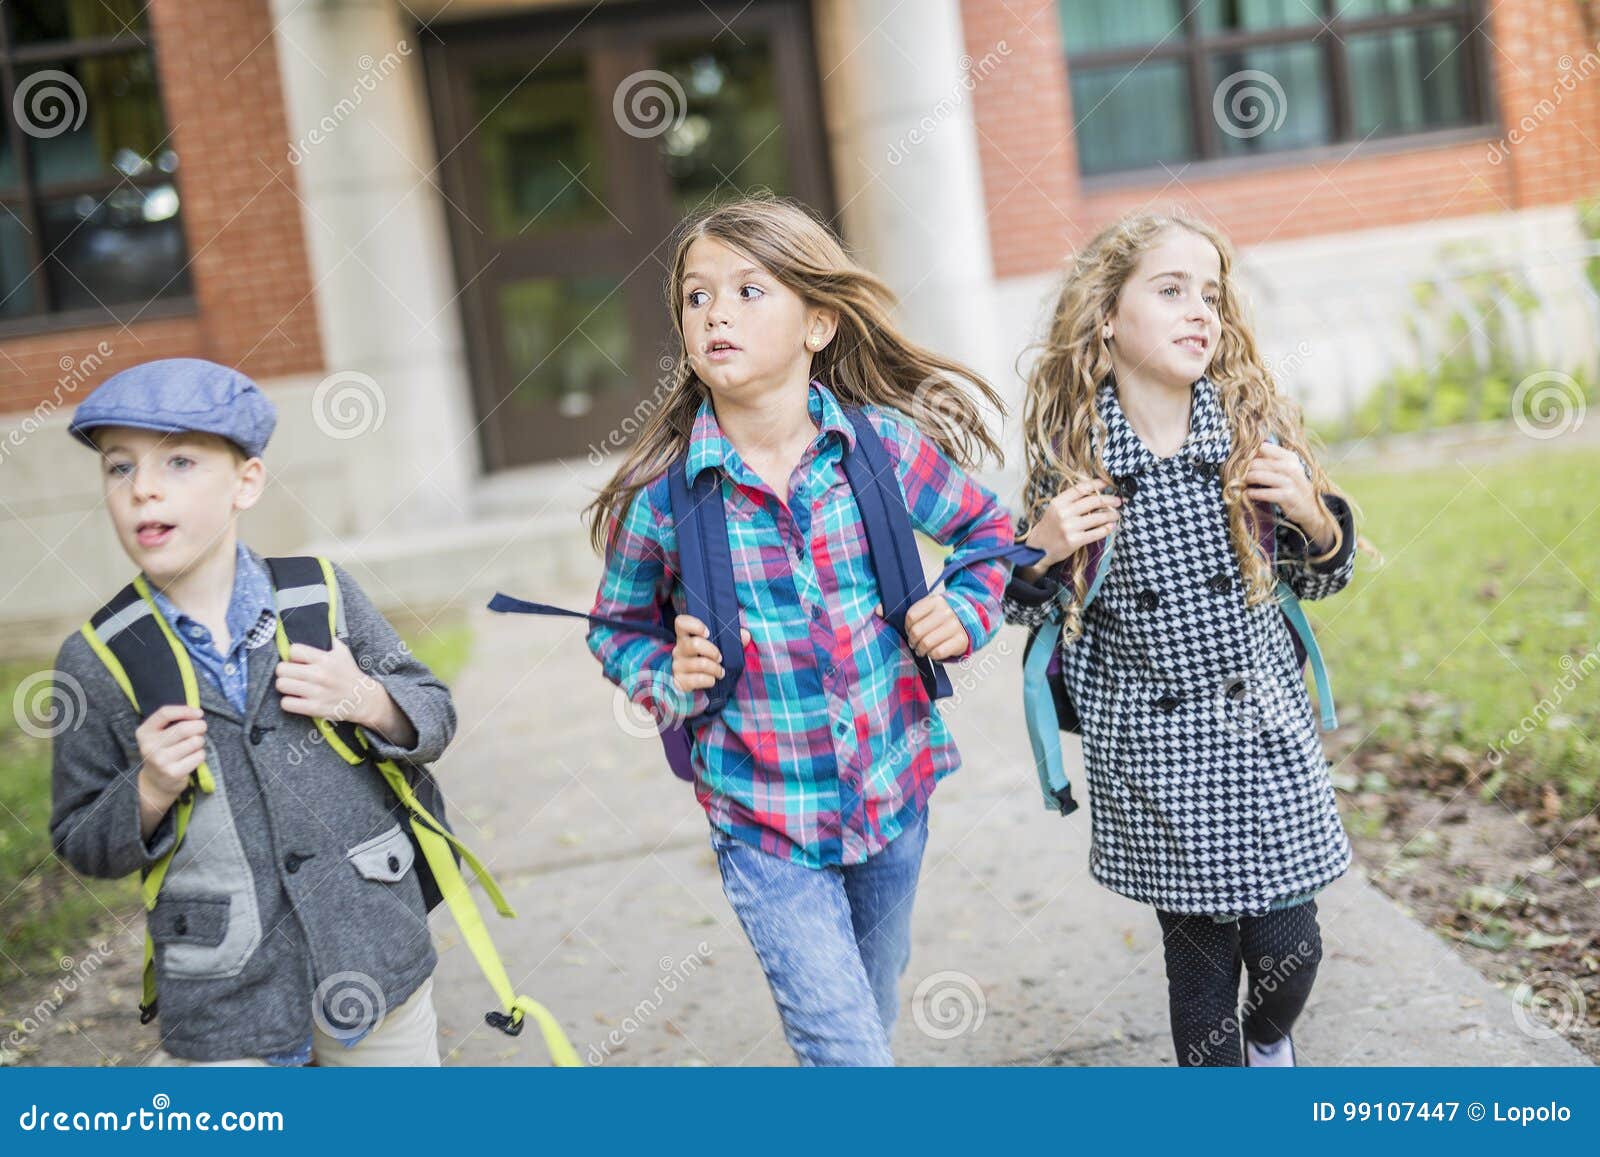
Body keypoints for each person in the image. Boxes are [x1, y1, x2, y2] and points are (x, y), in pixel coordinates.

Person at [584, 196, 1018, 1066]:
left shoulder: (882, 450)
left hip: (894, 792)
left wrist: (965, 612)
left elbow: (989, 535)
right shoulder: (666, 496)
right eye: (698, 296)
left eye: (750, 291)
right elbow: (616, 626)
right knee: (845, 1047)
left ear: (818, 322)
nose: (716, 313)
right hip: (762, 815)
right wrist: (669, 673)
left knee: (870, 1002)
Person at [1003, 211, 1362, 1067]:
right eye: (1170, 291)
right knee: (1200, 982)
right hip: (1154, 755)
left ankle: (1271, 1043)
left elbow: (1322, 579)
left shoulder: (1250, 439)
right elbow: (1019, 610)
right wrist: (1043, 550)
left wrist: (1313, 513)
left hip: (1263, 732)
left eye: (1211, 294)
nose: (1199, 310)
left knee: (1290, 944)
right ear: (1106, 317)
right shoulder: (1075, 463)